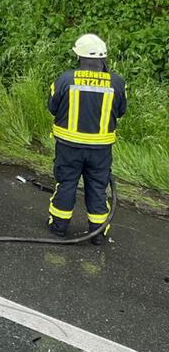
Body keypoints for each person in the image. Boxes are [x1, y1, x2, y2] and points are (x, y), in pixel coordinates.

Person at [47, 34, 126, 244]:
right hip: (100, 150)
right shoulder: (117, 83)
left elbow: (52, 107)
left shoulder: (65, 79)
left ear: (79, 57)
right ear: (103, 59)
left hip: (68, 148)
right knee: (98, 188)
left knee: (66, 185)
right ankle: (98, 234)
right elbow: (120, 111)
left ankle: (59, 227)